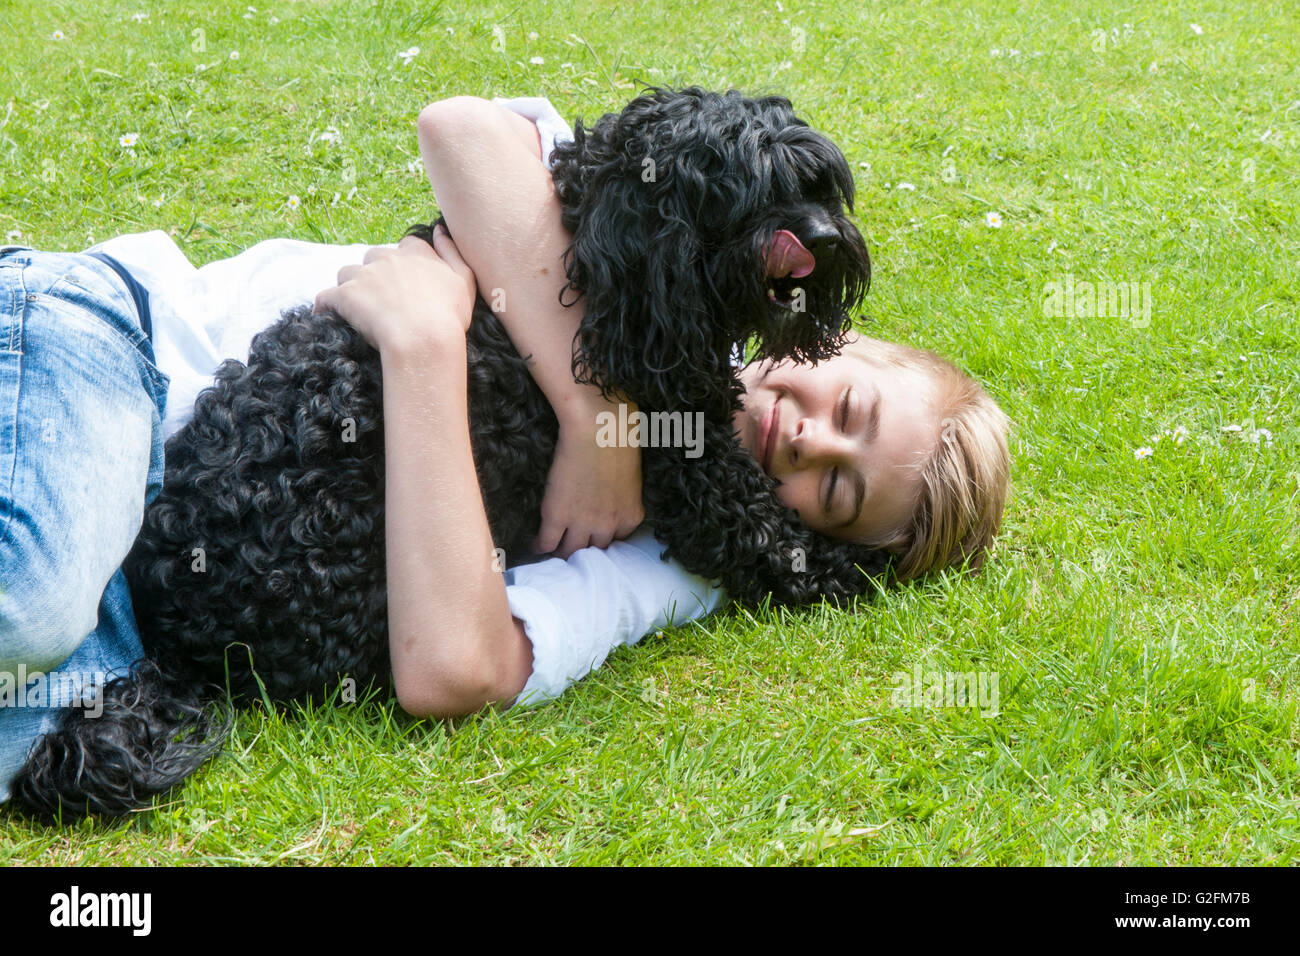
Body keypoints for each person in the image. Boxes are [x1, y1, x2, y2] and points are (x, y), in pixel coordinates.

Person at [0, 94, 1010, 802]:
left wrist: (426, 344)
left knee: (34, 693)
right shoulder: (665, 214)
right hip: (106, 343)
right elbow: (459, 129)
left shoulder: (674, 554)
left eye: (832, 491)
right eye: (852, 408)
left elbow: (451, 668)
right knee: (29, 600)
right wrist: (595, 414)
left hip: (135, 579)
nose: (807, 438)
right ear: (856, 344)